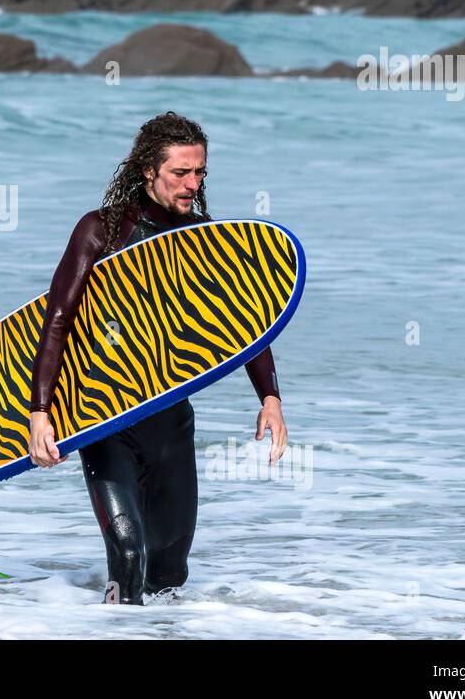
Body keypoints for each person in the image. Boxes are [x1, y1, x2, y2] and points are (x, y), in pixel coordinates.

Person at [27, 112, 287, 605]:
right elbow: (56, 321)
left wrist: (269, 397)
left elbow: (249, 319)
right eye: (180, 173)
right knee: (128, 559)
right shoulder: (100, 231)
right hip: (106, 421)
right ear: (148, 169)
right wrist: (41, 413)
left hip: (171, 423)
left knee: (169, 574)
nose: (193, 184)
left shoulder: (208, 239)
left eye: (200, 174)